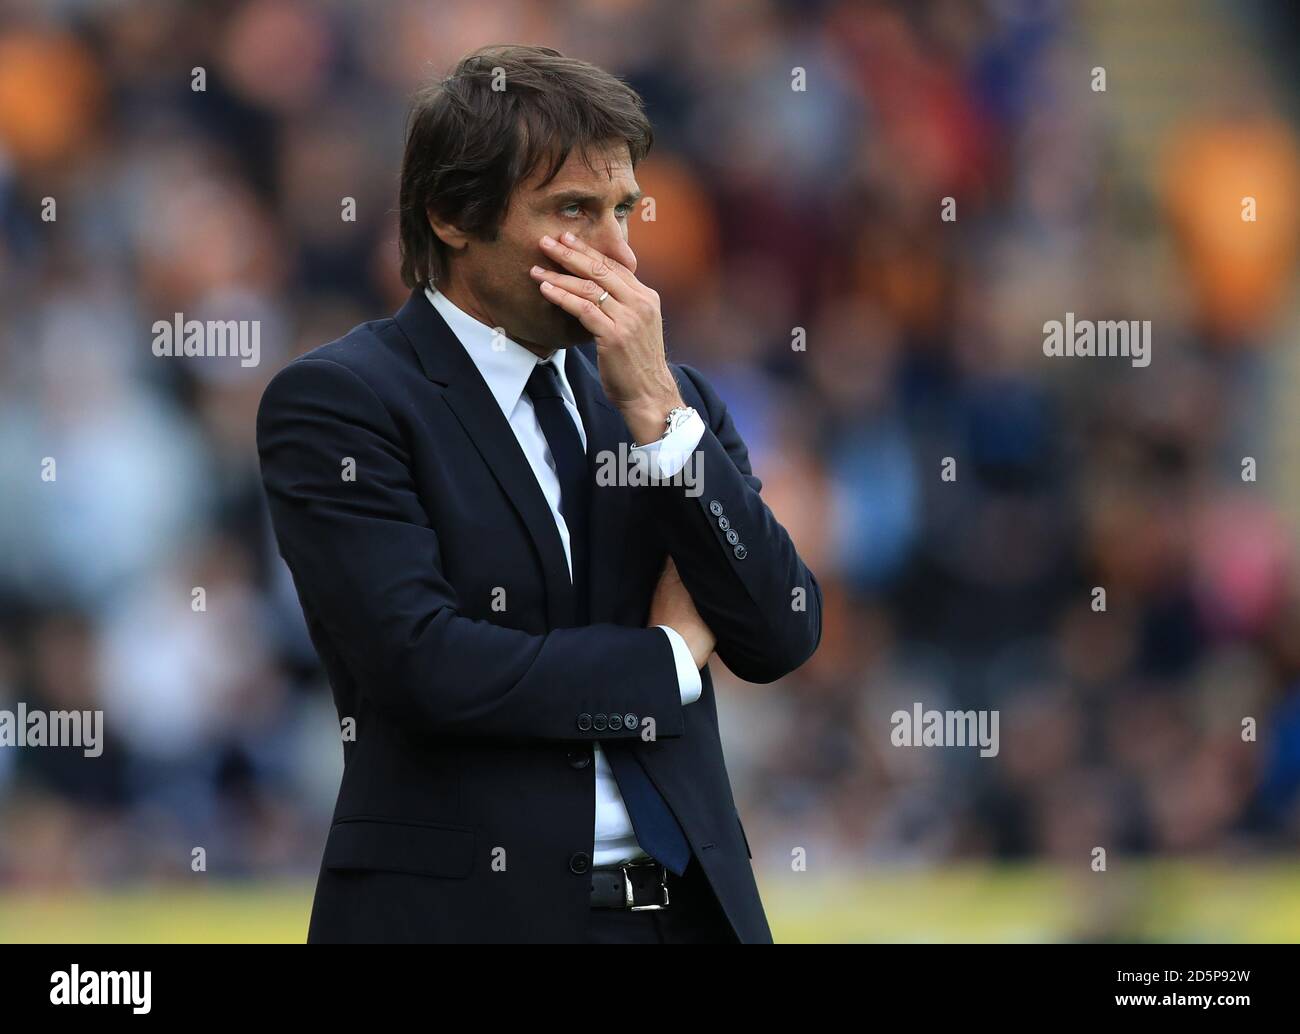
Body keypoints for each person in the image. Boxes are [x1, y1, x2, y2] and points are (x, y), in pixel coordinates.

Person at [256, 43, 821, 943]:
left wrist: (664, 423)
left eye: (624, 211)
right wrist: (667, 660)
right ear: (451, 214)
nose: (620, 253)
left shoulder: (668, 400)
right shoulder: (342, 402)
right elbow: (425, 666)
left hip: (687, 918)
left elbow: (780, 630)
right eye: (573, 212)